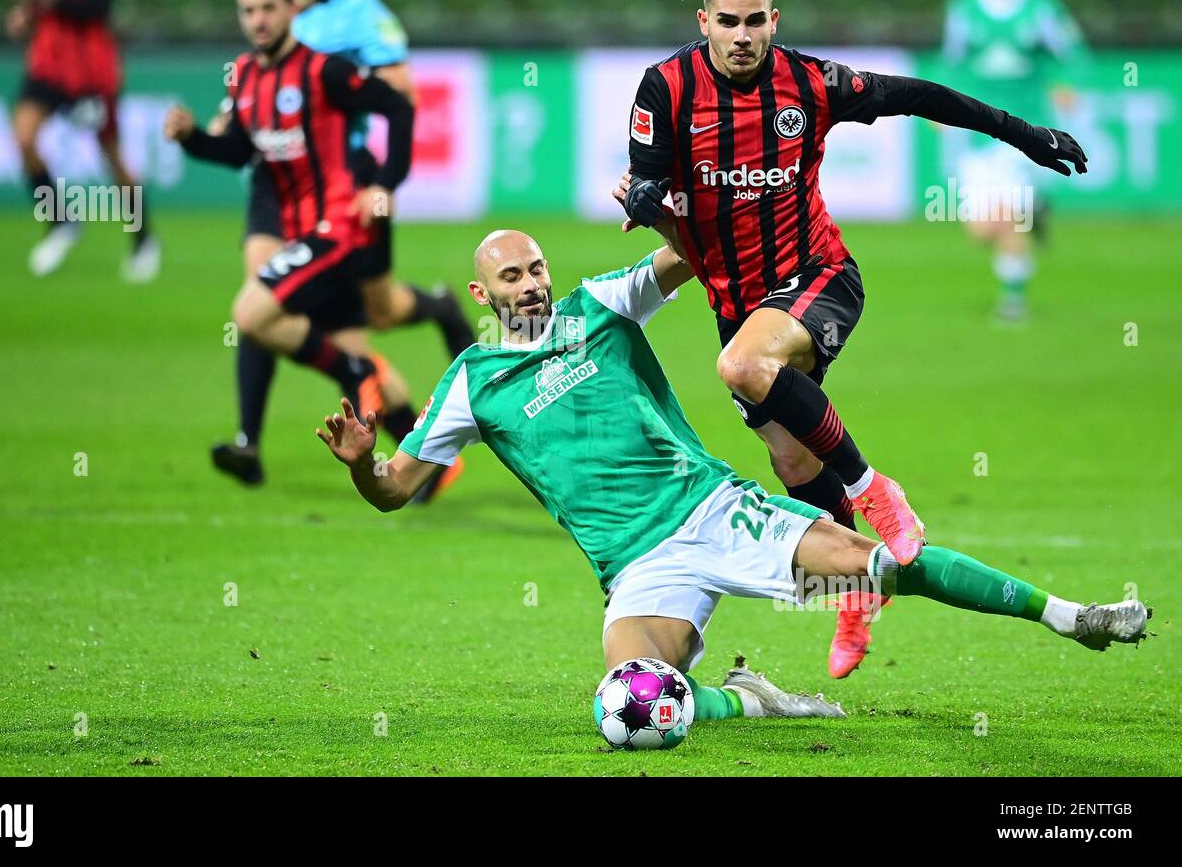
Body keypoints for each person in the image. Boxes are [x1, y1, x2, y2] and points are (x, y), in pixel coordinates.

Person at [319, 228, 1147, 736]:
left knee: (884, 565)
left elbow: (684, 256)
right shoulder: (471, 381)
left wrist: (681, 202)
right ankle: (755, 701)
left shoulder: (597, 305)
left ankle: (1074, 617)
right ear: (481, 294)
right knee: (632, 705)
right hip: (638, 571)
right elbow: (396, 488)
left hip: (712, 512)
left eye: (536, 268)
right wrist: (362, 462)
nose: (531, 284)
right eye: (512, 278)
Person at [618, 0, 1087, 676]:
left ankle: (877, 492)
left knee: (745, 366)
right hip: (737, 301)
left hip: (819, 276)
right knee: (790, 458)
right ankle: (855, 589)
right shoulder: (665, 89)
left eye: (755, 22)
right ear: (703, 20)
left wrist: (1028, 134)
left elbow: (922, 96)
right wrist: (646, 201)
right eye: (727, 21)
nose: (741, 35)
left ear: (773, 21)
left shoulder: (809, 82)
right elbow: (646, 182)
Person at [165, 0, 460, 501]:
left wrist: (386, 183)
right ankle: (432, 465)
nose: (258, 20)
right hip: (308, 240)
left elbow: (396, 104)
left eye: (268, 8)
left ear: (290, 10)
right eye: (248, 10)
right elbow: (238, 149)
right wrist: (190, 140)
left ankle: (348, 369)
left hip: (337, 233)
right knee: (357, 354)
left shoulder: (323, 71)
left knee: (251, 313)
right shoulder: (245, 76)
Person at [8, 0, 159, 281]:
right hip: (46, 61)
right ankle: (61, 221)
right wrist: (24, 13)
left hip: (89, 67)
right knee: (23, 138)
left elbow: (97, 3)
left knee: (109, 153)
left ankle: (143, 237)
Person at [941, 0, 1089, 320]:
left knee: (1006, 218)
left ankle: (1013, 301)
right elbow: (950, 63)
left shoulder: (1042, 7)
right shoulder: (962, 9)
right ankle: (1036, 211)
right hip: (978, 132)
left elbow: (1072, 54)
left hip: (1028, 131)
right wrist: (936, 107)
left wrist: (1066, 85)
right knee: (982, 229)